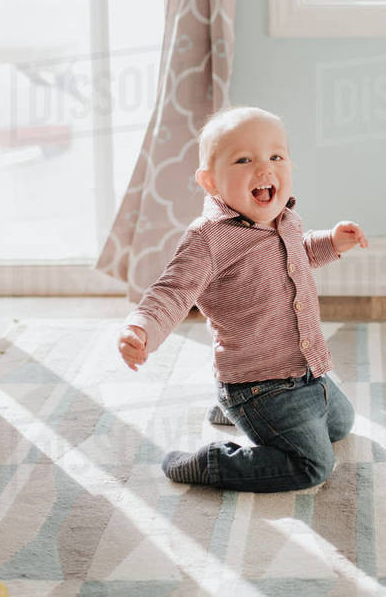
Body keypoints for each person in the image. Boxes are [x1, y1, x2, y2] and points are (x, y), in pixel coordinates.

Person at [117, 106, 368, 491]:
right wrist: (142, 327)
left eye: (275, 157)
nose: (264, 169)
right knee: (313, 465)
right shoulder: (209, 239)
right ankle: (212, 461)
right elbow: (173, 290)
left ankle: (240, 415)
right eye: (244, 160)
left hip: (307, 370)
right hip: (259, 384)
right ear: (210, 181)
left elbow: (294, 254)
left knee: (341, 424)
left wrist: (332, 243)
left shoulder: (284, 218)